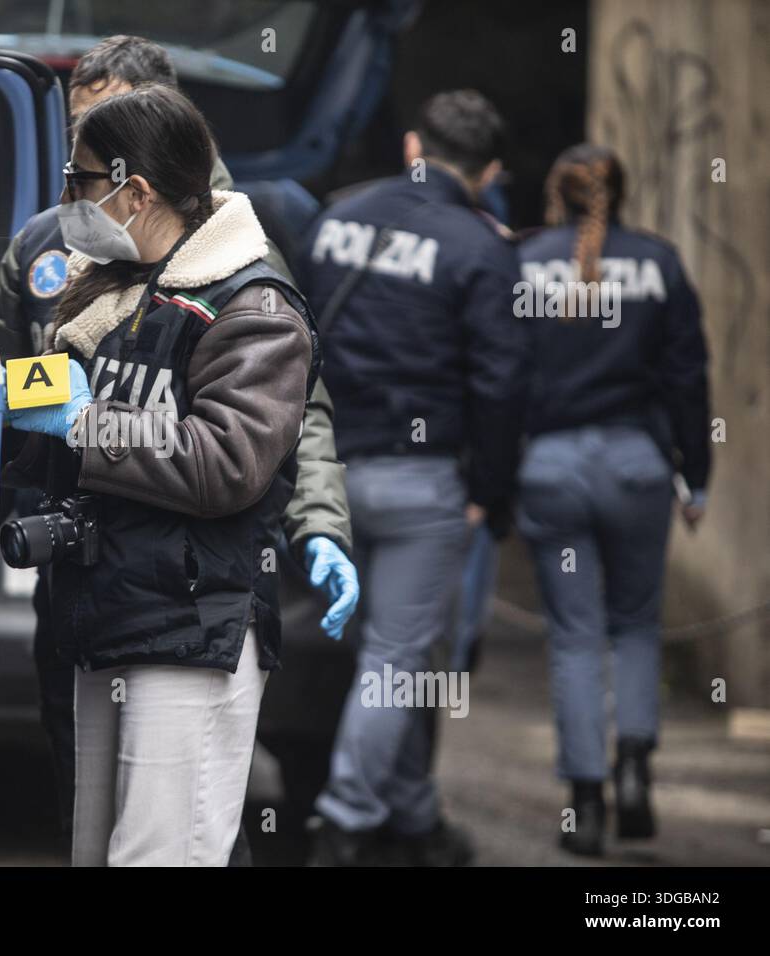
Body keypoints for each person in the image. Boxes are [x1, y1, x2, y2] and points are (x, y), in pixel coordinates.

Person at [0, 35, 357, 850]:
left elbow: (246, 448)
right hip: (96, 609)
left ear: (136, 185)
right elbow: (32, 389)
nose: (65, 197)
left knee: (166, 847)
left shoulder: (247, 294)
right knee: (97, 847)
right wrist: (3, 411)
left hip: (189, 621)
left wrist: (320, 525)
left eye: (80, 177)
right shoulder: (93, 282)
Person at [297, 90, 532, 866]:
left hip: (323, 473)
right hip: (419, 483)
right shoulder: (482, 249)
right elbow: (502, 387)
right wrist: (488, 496)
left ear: (411, 148)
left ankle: (414, 815)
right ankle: (343, 821)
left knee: (375, 655)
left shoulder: (335, 220)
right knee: (396, 663)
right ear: (489, 170)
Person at [516, 144, 711, 857]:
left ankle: (586, 804)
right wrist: (699, 475)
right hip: (637, 466)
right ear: (621, 196)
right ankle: (634, 769)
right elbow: (690, 375)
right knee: (634, 625)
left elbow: (502, 372)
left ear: (557, 196)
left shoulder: (526, 262)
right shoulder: (659, 264)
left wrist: (498, 476)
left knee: (574, 636)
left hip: (552, 467)